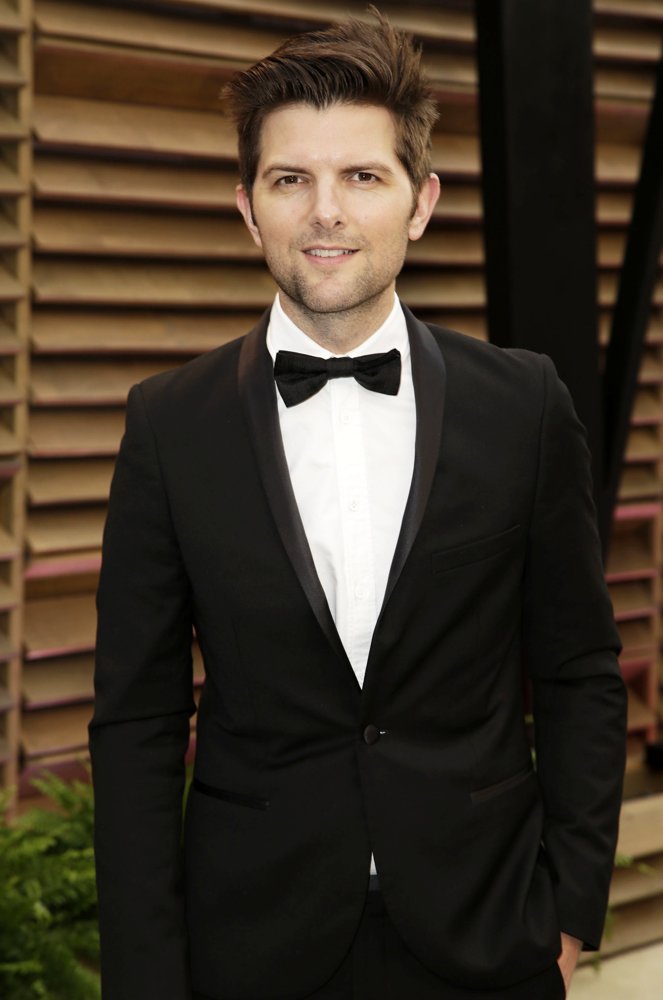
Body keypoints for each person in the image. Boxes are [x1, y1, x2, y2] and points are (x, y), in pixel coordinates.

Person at [90, 10, 627, 1000]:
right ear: (248, 208)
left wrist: (569, 907)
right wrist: (147, 975)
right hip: (251, 949)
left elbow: (581, 670)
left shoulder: (526, 407)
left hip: (488, 940)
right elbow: (137, 723)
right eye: (292, 179)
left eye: (361, 177)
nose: (325, 211)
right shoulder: (168, 426)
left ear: (419, 203)